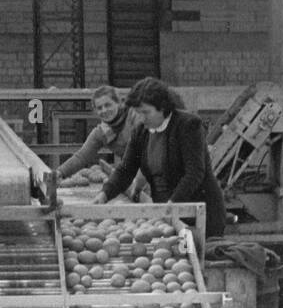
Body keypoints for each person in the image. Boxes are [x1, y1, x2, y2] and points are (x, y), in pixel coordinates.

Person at [95, 77, 227, 237]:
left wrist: (171, 205)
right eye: (138, 113)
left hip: (196, 216)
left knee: (190, 254)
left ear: (162, 107)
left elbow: (195, 173)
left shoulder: (188, 125)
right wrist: (105, 194)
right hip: (166, 215)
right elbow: (126, 170)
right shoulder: (141, 132)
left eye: (146, 112)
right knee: (173, 255)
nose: (142, 118)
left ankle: (196, 250)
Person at [57, 85, 137, 181]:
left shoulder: (134, 116)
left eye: (108, 105)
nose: (104, 110)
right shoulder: (102, 133)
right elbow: (81, 157)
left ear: (118, 103)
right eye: (99, 108)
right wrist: (60, 172)